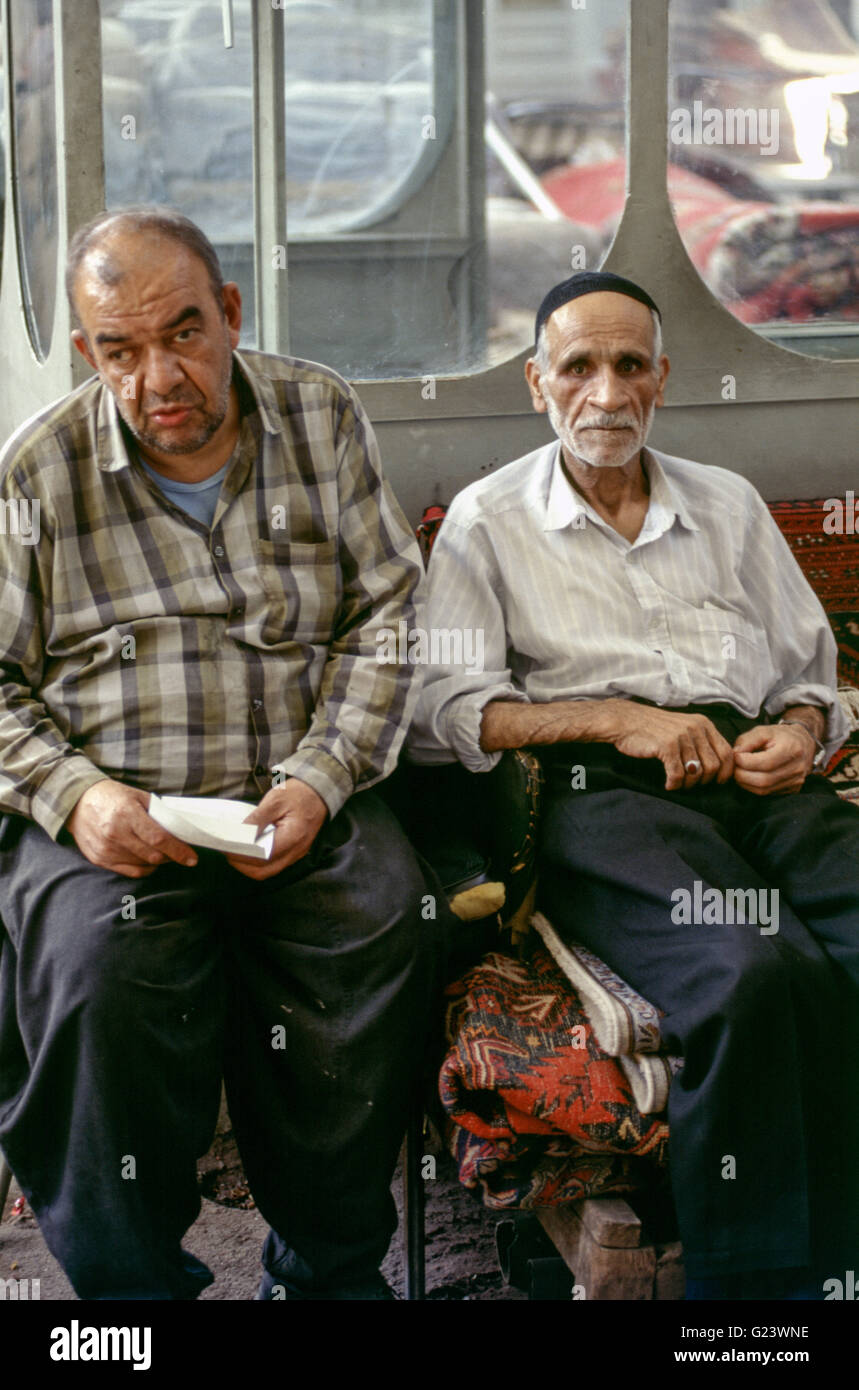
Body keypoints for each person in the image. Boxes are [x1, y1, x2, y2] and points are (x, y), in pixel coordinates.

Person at [0, 206, 444, 1301]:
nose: (160, 375)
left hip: (297, 790)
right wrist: (79, 796)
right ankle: (133, 1293)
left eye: (184, 333)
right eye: (120, 348)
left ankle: (328, 1269)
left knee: (384, 913)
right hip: (116, 814)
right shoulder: (36, 472)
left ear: (231, 314)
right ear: (89, 350)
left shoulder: (319, 413)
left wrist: (320, 776)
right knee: (96, 980)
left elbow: (385, 613)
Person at [408, 269, 859, 1300]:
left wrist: (797, 731)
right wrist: (616, 717)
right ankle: (757, 1302)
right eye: (578, 367)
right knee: (749, 973)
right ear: (536, 382)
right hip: (597, 792)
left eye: (627, 366)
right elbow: (445, 715)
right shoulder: (487, 523)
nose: (604, 394)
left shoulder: (728, 505)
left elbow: (807, 674)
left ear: (661, 377)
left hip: (754, 775)